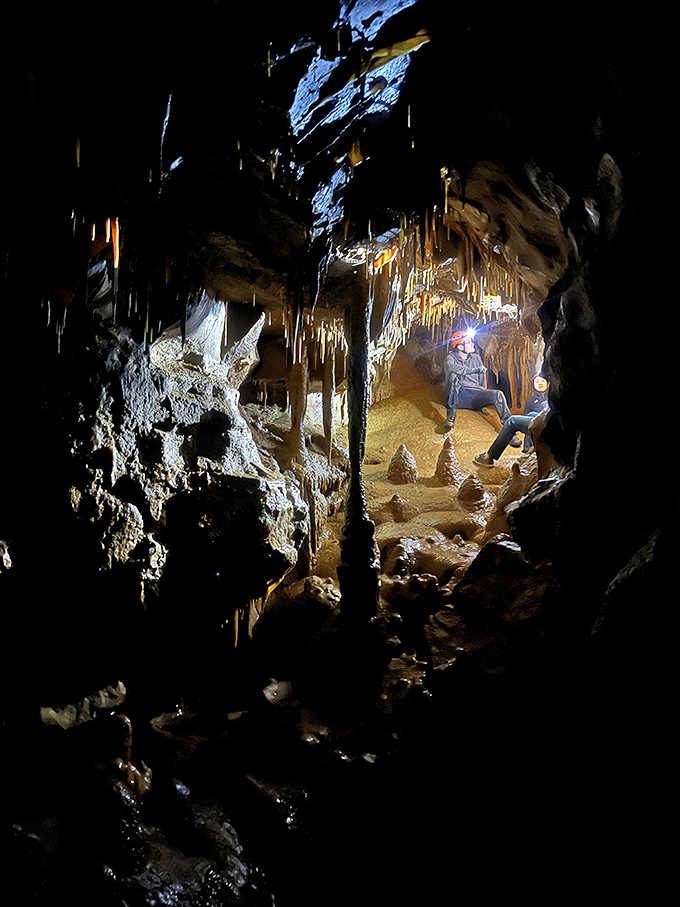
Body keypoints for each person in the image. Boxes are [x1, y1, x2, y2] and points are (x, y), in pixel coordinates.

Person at [443, 329, 520, 446]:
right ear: (459, 347)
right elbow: (452, 368)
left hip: (475, 397)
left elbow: (482, 380)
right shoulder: (450, 358)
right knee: (454, 376)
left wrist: (483, 396)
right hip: (459, 397)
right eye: (468, 342)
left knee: (498, 394)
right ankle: (451, 416)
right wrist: (474, 370)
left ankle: (510, 432)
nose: (472, 344)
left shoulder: (476, 358)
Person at [473, 374, 549, 466]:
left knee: (512, 420)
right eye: (537, 381)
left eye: (542, 381)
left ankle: (489, 457)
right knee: (531, 415)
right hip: (546, 422)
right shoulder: (532, 400)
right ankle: (529, 448)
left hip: (549, 425)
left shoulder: (550, 397)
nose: (539, 383)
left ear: (548, 383)